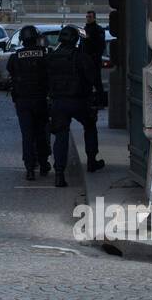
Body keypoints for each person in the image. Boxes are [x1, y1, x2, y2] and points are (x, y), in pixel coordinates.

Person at [46, 26, 106, 184]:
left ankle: (59, 173)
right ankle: (92, 161)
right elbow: (93, 78)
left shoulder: (52, 57)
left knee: (61, 135)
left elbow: (46, 79)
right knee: (90, 125)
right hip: (79, 100)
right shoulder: (81, 57)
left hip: (58, 101)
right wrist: (99, 97)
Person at [8, 25, 52, 183]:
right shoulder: (44, 54)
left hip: (23, 101)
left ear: (22, 40)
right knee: (41, 132)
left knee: (27, 135)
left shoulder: (16, 56)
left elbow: (11, 74)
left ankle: (29, 168)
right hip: (41, 99)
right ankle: (43, 162)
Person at [83, 10, 107, 97]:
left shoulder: (98, 29)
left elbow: (101, 45)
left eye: (90, 17)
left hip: (94, 60)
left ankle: (99, 100)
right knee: (87, 82)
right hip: (87, 59)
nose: (88, 19)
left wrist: (95, 55)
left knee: (97, 81)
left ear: (94, 18)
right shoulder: (85, 29)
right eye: (87, 17)